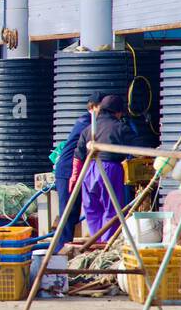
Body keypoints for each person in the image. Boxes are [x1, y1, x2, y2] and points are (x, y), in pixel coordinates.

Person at [71, 94, 137, 241]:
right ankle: (107, 244)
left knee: (92, 209)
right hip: (110, 169)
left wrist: (74, 176)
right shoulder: (120, 127)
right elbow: (138, 148)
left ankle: (96, 241)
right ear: (117, 112)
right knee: (111, 209)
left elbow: (79, 154)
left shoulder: (88, 129)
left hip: (88, 171)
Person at [53, 92, 104, 244]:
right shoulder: (86, 122)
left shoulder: (91, 121)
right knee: (68, 214)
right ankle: (58, 253)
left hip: (78, 170)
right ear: (93, 106)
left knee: (73, 215)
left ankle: (62, 249)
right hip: (68, 171)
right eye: (103, 107)